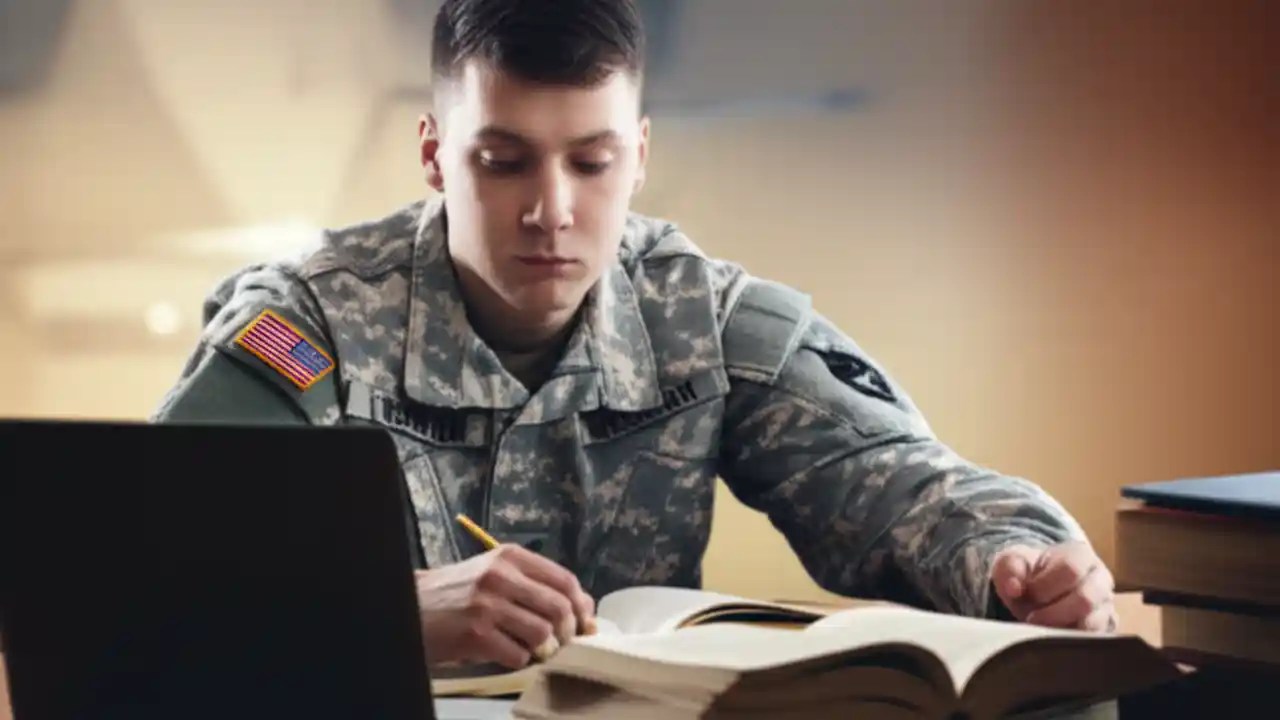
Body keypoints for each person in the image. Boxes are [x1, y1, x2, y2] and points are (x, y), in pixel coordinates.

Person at [153, 0, 1118, 671]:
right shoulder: (311, 324)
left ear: (641, 157)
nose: (551, 210)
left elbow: (908, 483)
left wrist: (1018, 565)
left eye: (592, 161)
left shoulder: (704, 321)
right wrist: (389, 613)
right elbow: (122, 571)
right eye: (503, 161)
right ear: (436, 156)